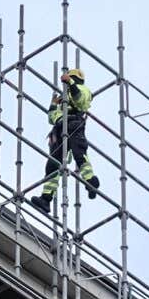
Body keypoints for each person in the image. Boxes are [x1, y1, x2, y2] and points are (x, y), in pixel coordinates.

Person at [27, 68, 98, 214]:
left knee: (79, 153)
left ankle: (91, 181)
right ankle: (46, 199)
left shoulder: (83, 90)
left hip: (73, 124)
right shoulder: (63, 98)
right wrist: (53, 104)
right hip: (60, 129)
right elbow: (52, 118)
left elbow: (81, 102)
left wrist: (71, 83)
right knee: (53, 165)